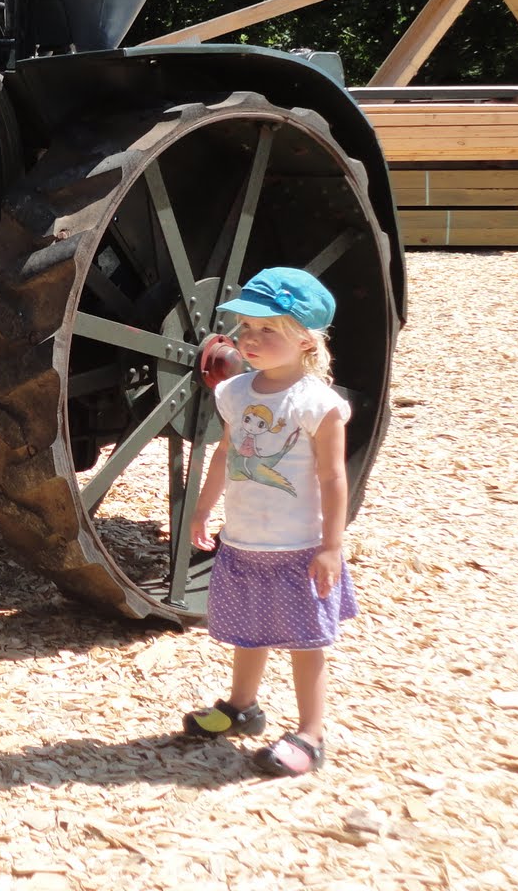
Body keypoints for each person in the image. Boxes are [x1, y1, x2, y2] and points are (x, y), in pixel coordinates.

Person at [182, 267, 356, 777]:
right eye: (246, 328)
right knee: (248, 632)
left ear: (305, 339)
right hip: (245, 540)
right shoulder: (235, 392)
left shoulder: (316, 404)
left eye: (268, 331)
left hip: (298, 546)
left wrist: (330, 546)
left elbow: (332, 479)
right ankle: (242, 707)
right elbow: (225, 456)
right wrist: (202, 508)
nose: (250, 340)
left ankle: (311, 732)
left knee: (307, 644)